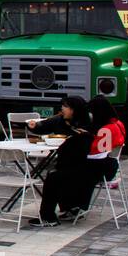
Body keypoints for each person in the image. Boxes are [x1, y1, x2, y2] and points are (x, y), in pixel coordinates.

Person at [29, 95, 95, 227]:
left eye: (66, 107)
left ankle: (49, 217)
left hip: (85, 166)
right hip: (66, 163)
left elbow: (87, 146)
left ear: (74, 109)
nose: (62, 109)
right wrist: (33, 126)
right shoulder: (59, 120)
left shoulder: (87, 123)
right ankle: (67, 209)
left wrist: (80, 135)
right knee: (55, 174)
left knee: (54, 177)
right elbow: (43, 126)